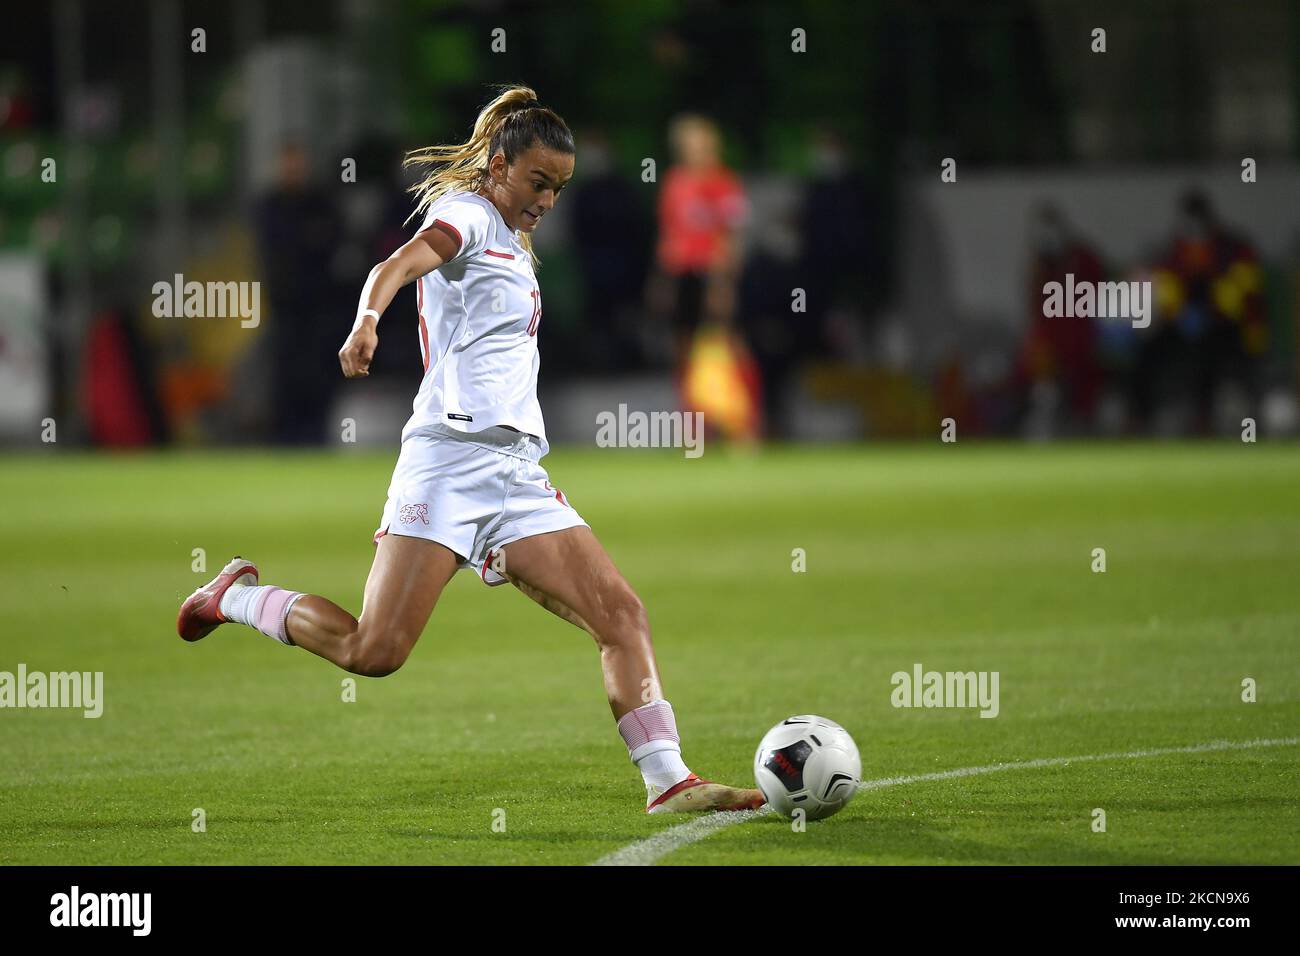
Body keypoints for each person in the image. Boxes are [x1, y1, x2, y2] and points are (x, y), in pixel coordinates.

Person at [177, 86, 763, 815]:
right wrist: (366, 324)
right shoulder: (468, 216)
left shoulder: (513, 240)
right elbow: (393, 266)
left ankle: (669, 781)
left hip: (515, 472)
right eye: (538, 181)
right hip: (449, 461)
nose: (547, 199)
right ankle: (235, 596)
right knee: (374, 652)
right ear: (497, 165)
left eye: (558, 188)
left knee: (621, 615)